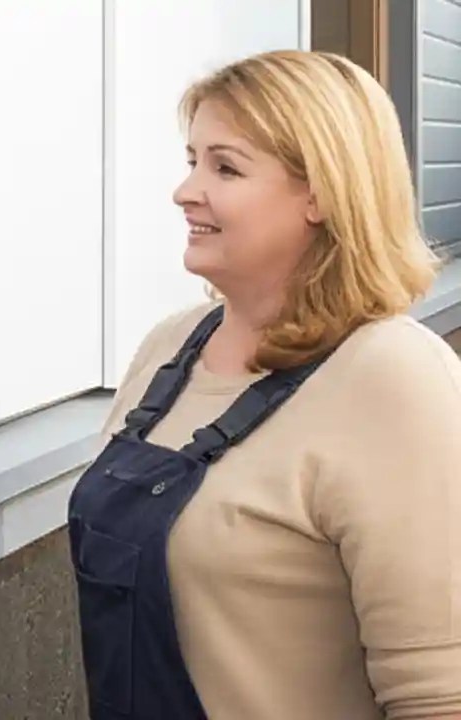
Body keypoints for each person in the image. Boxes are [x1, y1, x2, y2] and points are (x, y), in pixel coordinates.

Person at [68, 49, 461, 719]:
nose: (186, 190)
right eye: (192, 160)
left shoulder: (395, 380)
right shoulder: (172, 344)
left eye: (225, 166)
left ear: (321, 193)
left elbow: (438, 693)